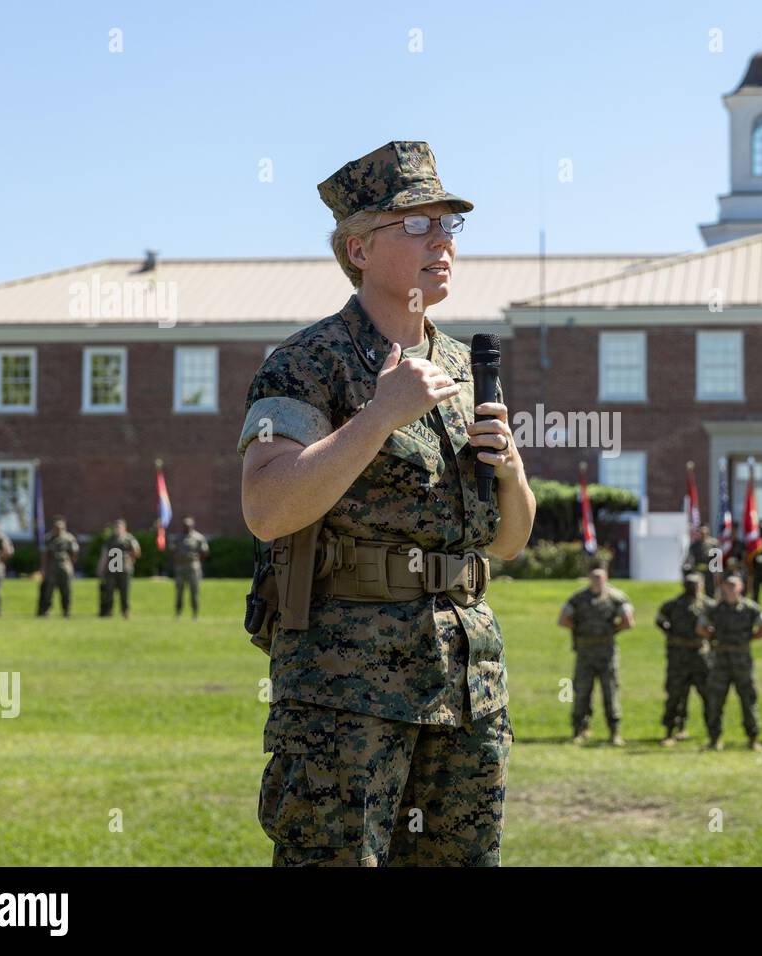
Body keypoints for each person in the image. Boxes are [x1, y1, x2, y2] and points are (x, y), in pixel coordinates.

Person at [240, 141, 535, 866]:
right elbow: (268, 508)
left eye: (447, 224)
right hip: (348, 689)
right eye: (415, 224)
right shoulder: (309, 362)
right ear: (357, 249)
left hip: (468, 681)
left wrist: (514, 470)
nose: (442, 241)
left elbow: (505, 543)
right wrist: (378, 416)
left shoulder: (468, 366)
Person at [559, 565, 635, 746]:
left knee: (611, 691)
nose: (597, 581)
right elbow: (563, 619)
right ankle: (579, 729)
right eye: (594, 577)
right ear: (588, 578)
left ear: (606, 578)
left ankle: (614, 732)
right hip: (585, 653)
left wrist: (612, 631)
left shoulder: (616, 597)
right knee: (582, 691)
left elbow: (628, 621)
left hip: (607, 654)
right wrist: (579, 630)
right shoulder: (578, 598)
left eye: (600, 577)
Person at [697, 572, 762, 752]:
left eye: (733, 586)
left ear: (740, 588)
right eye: (726, 586)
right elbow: (700, 627)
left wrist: (749, 638)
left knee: (748, 699)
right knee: (715, 700)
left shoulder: (750, 608)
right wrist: (713, 636)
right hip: (720, 661)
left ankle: (753, 738)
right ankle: (714, 739)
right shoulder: (714, 609)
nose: (729, 590)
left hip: (742, 661)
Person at [654, 572, 713, 746]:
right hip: (678, 656)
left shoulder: (709, 605)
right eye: (689, 585)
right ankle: (670, 731)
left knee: (708, 694)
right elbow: (659, 620)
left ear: (701, 586)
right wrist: (669, 632)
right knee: (675, 695)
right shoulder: (673, 605)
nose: (693, 588)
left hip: (701, 655)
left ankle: (713, 732)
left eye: (696, 585)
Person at [37, 515, 80, 617]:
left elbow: (75, 553)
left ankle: (66, 611)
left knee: (66, 590)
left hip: (64, 567)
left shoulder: (69, 538)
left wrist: (70, 564)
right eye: (56, 527)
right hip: (51, 568)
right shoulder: (48, 538)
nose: (58, 529)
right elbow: (44, 555)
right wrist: (43, 568)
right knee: (48, 591)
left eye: (60, 527)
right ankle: (46, 610)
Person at [98, 519, 141, 618]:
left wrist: (130, 560)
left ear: (124, 528)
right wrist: (101, 568)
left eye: (119, 527)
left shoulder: (129, 538)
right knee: (109, 591)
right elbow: (104, 555)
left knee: (125, 591)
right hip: (112, 568)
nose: (117, 529)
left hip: (124, 569)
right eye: (116, 527)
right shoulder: (109, 540)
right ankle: (108, 611)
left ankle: (125, 611)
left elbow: (137, 551)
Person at [172, 516, 210, 618]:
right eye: (185, 526)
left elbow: (205, 552)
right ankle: (178, 612)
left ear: (192, 526)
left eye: (188, 526)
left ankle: (195, 613)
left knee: (194, 591)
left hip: (193, 567)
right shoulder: (177, 538)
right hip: (180, 567)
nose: (186, 527)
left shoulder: (198, 538)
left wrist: (197, 560)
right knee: (179, 591)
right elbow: (172, 551)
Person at [683, 525, 716, 595]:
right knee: (696, 588)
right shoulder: (694, 545)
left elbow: (716, 559)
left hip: (709, 572)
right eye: (701, 533)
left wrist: (716, 572)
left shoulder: (713, 544)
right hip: (697, 570)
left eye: (705, 533)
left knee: (710, 590)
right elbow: (690, 558)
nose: (703, 535)